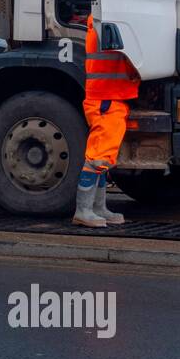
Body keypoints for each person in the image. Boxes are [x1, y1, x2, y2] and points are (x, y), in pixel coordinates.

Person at [75, 14, 139, 228]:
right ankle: (83, 210)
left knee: (103, 158)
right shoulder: (110, 22)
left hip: (109, 98)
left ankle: (97, 208)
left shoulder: (101, 22)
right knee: (97, 157)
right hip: (106, 99)